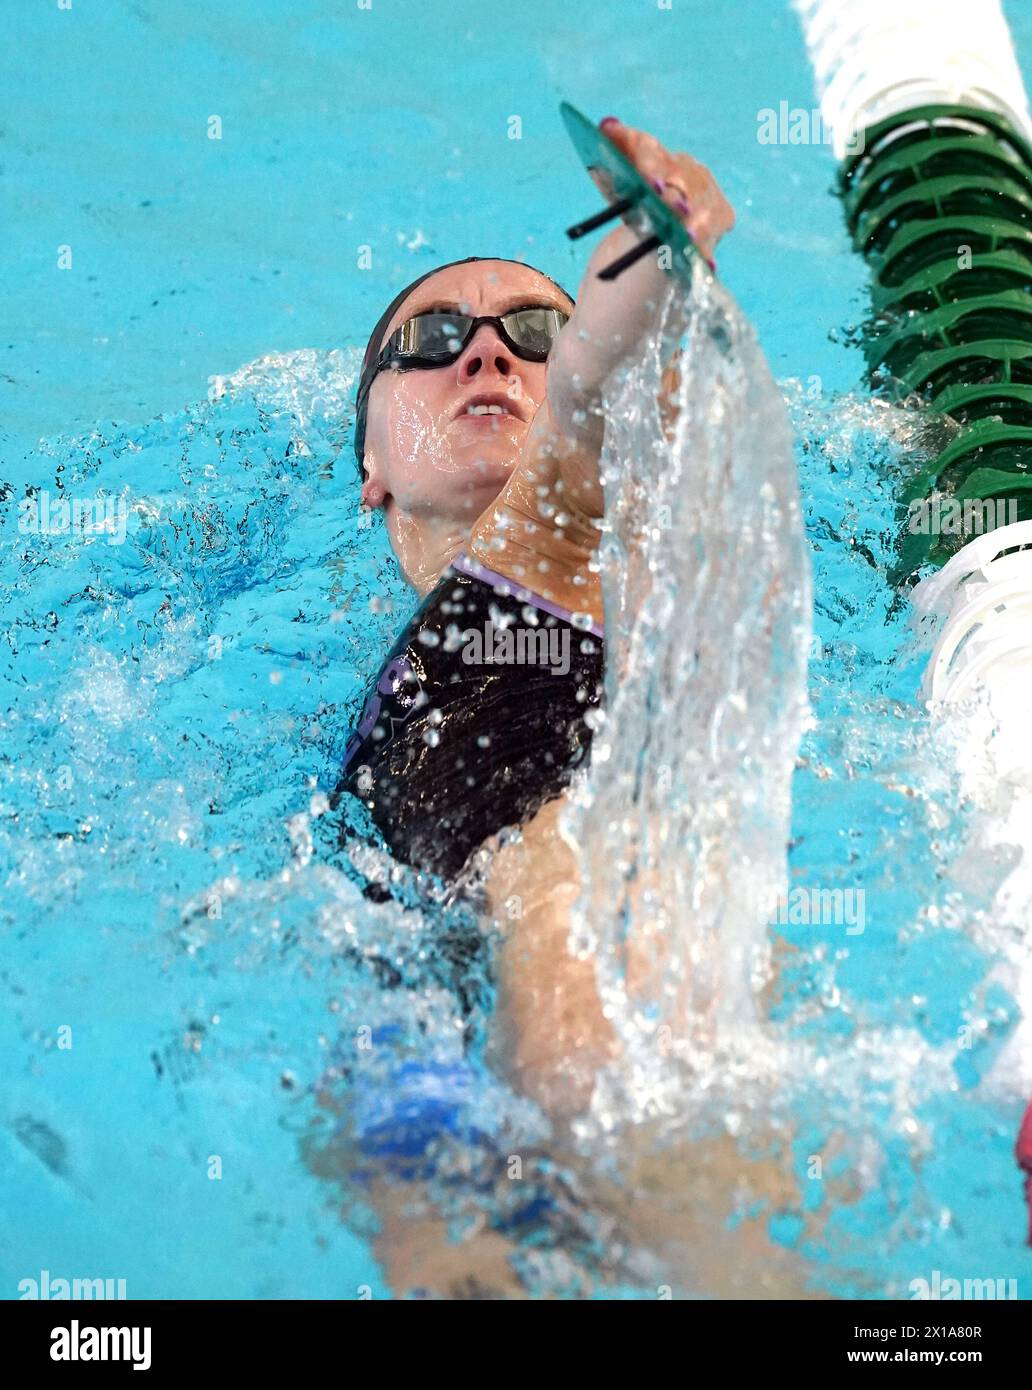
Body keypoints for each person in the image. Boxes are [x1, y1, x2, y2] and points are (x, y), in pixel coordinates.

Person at [334, 117, 735, 1115]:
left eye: (537, 333)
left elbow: (640, 426)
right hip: (461, 738)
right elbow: (594, 417)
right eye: (430, 340)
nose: (483, 356)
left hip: (399, 996)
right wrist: (654, 254)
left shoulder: (657, 588)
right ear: (370, 469)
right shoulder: (476, 655)